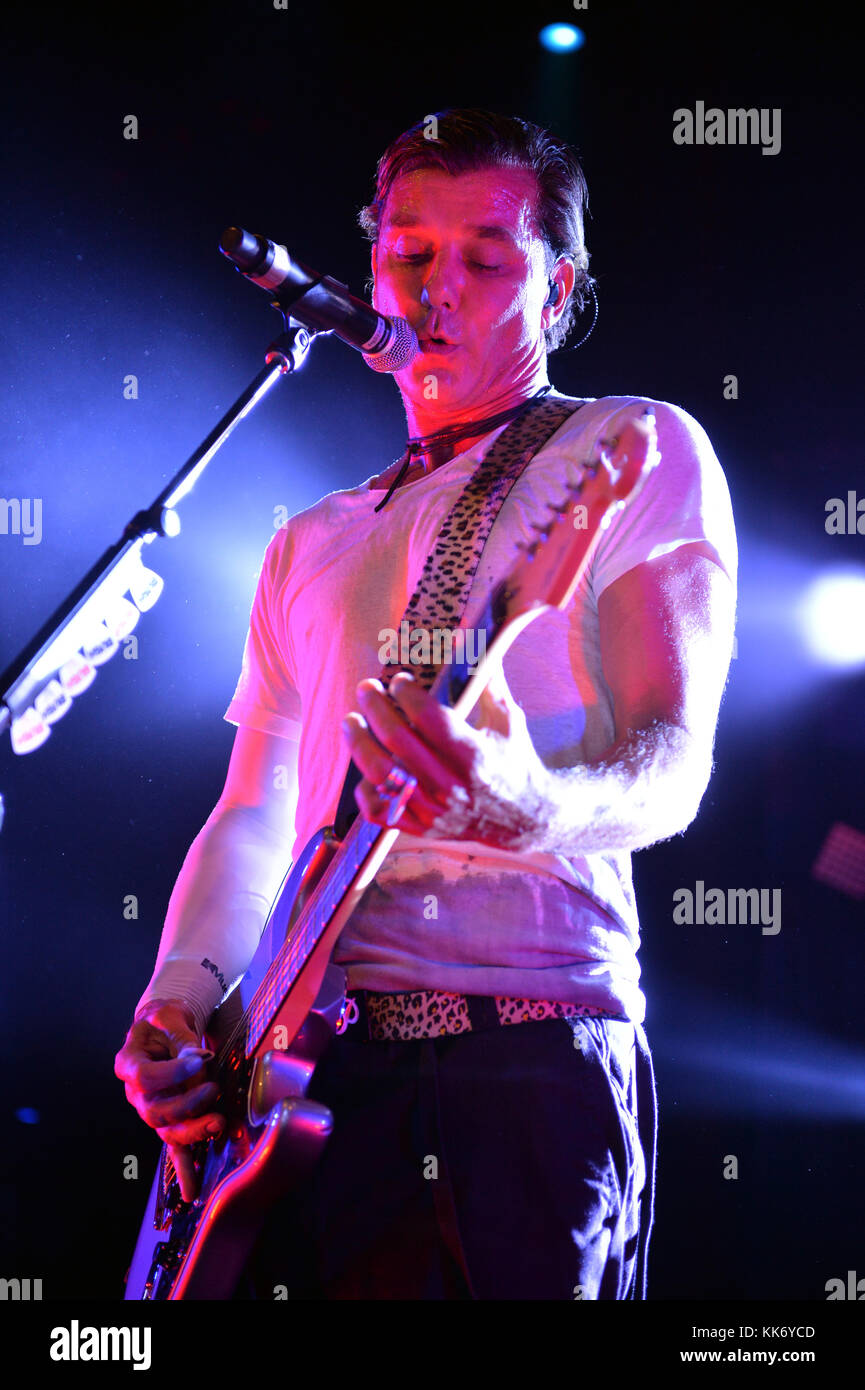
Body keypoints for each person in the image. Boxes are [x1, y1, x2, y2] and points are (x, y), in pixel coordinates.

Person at [114, 108, 737, 1300]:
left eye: (486, 258)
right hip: (290, 1084)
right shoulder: (310, 536)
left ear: (557, 296)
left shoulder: (629, 445)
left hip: (520, 1057)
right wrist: (180, 1004)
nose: (437, 285)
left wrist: (524, 800)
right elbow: (253, 812)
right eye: (409, 253)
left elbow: (673, 760)